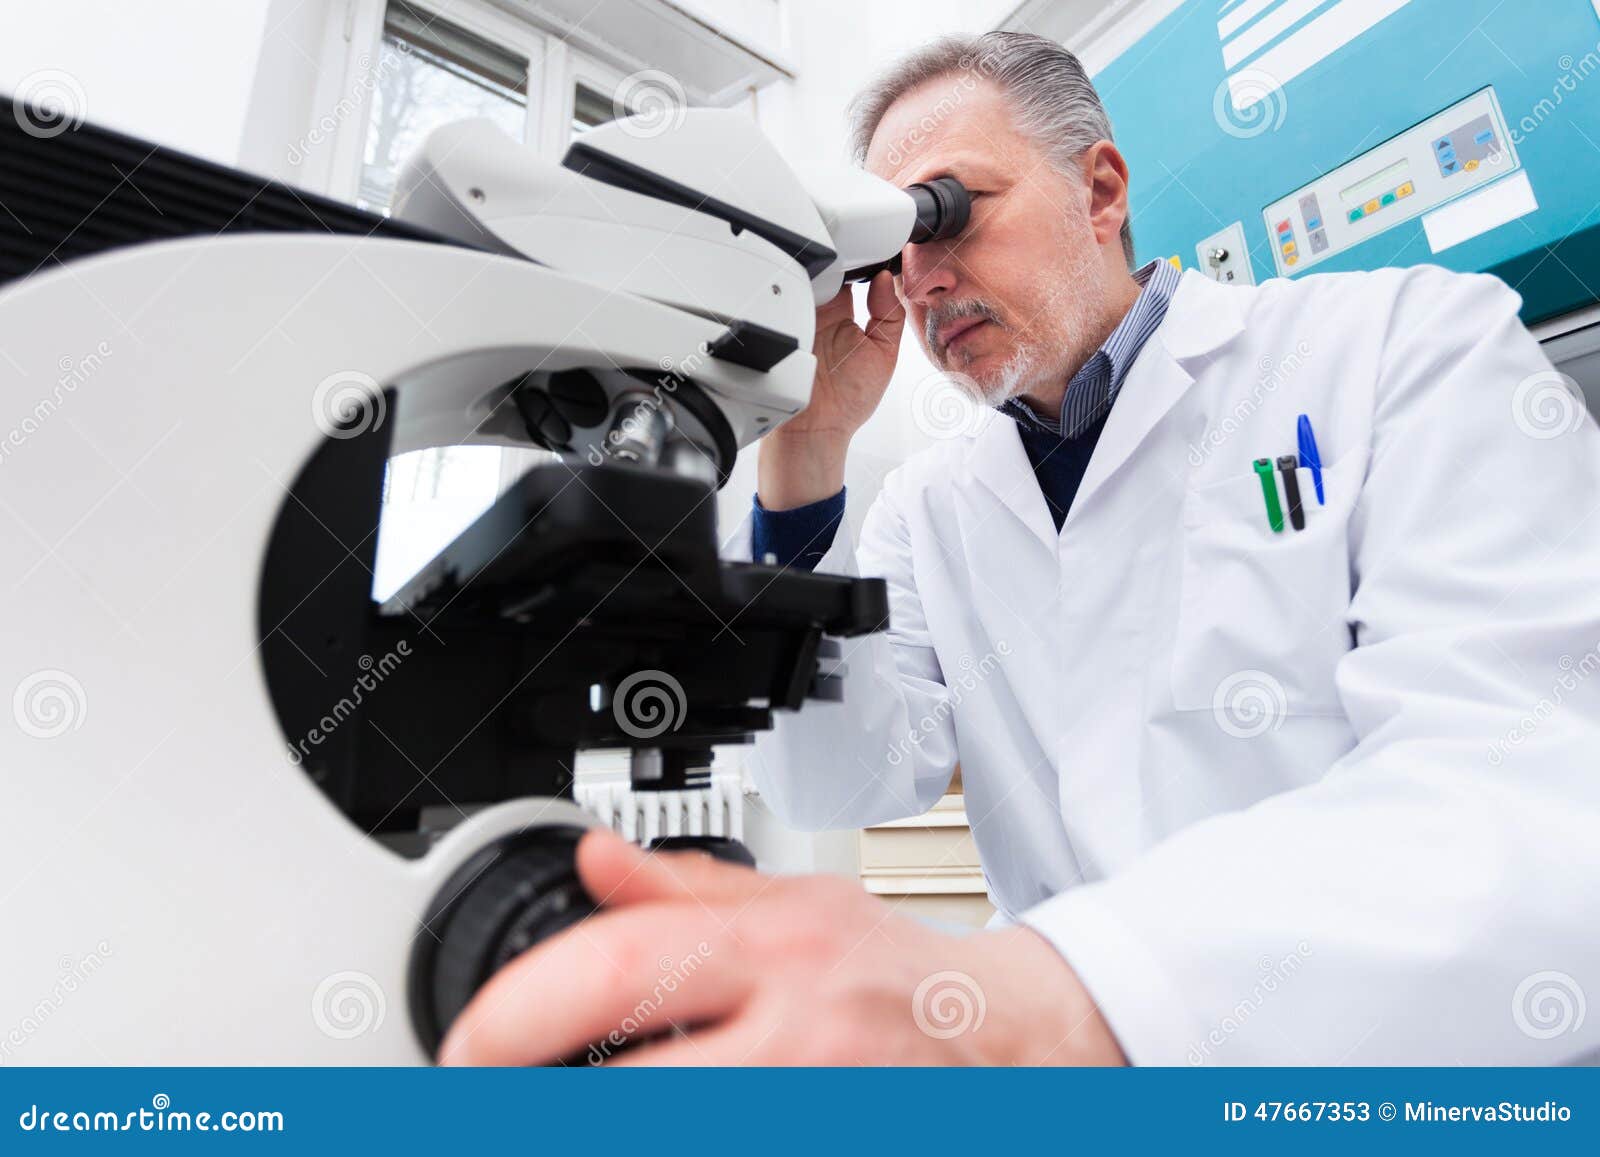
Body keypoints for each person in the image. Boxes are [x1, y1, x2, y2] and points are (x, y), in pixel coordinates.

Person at [442, 32, 1600, 1066]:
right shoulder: (927, 504)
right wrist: (807, 450)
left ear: (1100, 190)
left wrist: (1053, 998)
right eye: (895, 248)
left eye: (945, 211)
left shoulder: (1403, 343)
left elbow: (1532, 785)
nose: (922, 275)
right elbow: (833, 780)